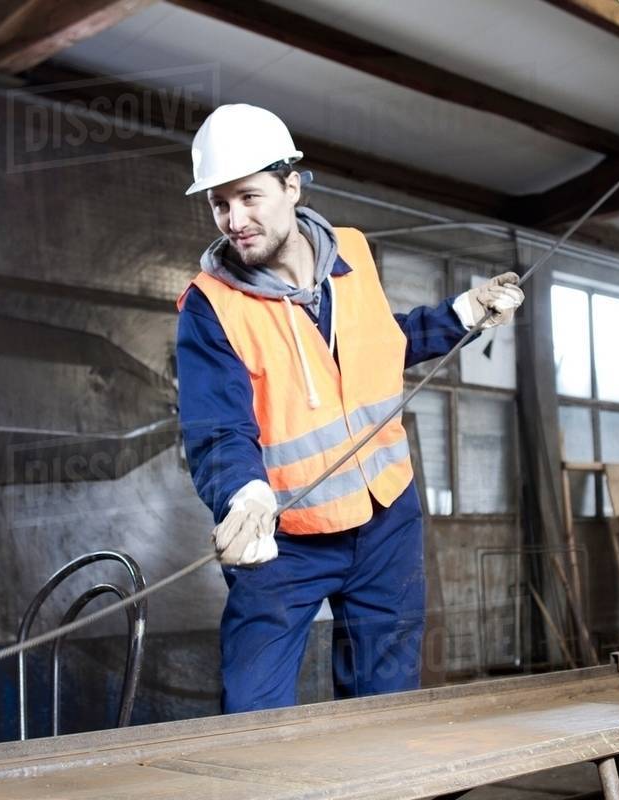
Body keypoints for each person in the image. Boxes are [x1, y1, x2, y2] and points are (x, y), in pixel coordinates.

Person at [174, 104, 523, 713]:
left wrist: (462, 314)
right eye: (219, 204)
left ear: (291, 185)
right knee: (252, 712)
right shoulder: (210, 306)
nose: (234, 220)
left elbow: (377, 345)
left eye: (249, 198)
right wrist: (244, 494)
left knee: (381, 709)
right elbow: (218, 425)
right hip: (286, 537)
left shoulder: (353, 256)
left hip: (386, 517)